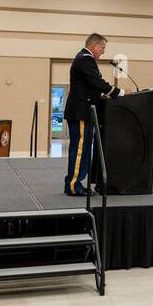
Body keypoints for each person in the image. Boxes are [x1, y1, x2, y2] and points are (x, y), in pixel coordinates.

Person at [63, 34, 122, 195]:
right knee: (80, 149)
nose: (103, 52)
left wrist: (101, 96)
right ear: (95, 45)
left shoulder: (83, 58)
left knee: (81, 148)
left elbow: (91, 87)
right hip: (81, 111)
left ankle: (73, 183)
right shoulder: (85, 59)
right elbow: (97, 82)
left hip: (82, 111)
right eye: (102, 48)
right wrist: (119, 92)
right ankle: (74, 185)